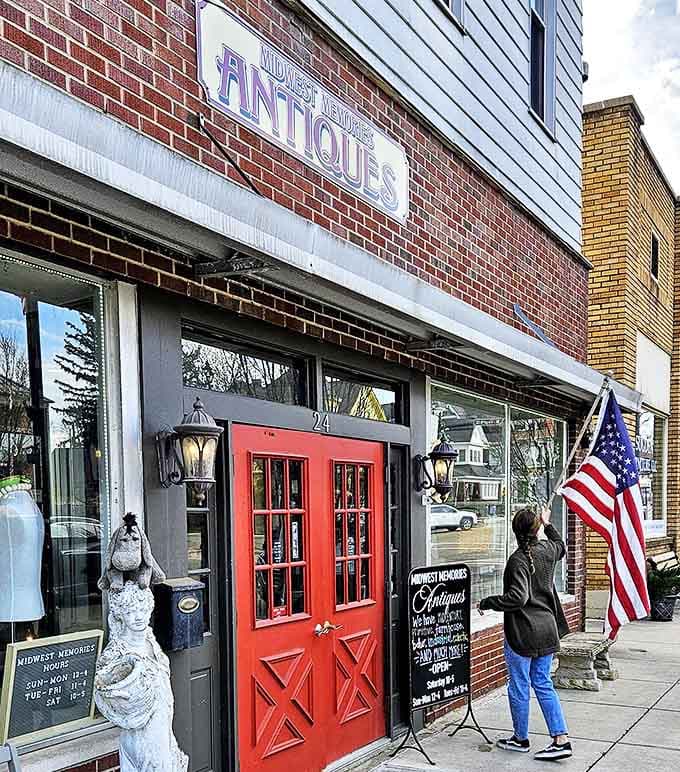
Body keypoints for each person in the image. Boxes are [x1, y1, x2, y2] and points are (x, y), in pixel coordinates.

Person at [478, 506, 572, 762]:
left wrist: (488, 602)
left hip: (522, 633)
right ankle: (560, 739)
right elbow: (560, 545)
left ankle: (520, 738)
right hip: (548, 629)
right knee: (542, 682)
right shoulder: (548, 551)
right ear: (537, 529)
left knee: (519, 684)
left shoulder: (518, 559)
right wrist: (548, 523)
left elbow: (517, 598)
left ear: (515, 531)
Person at [94, 581, 188, 772]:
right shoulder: (117, 652)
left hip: (163, 724)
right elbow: (104, 689)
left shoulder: (149, 640)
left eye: (142, 610)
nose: (138, 617)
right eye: (130, 612)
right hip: (141, 732)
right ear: (121, 615)